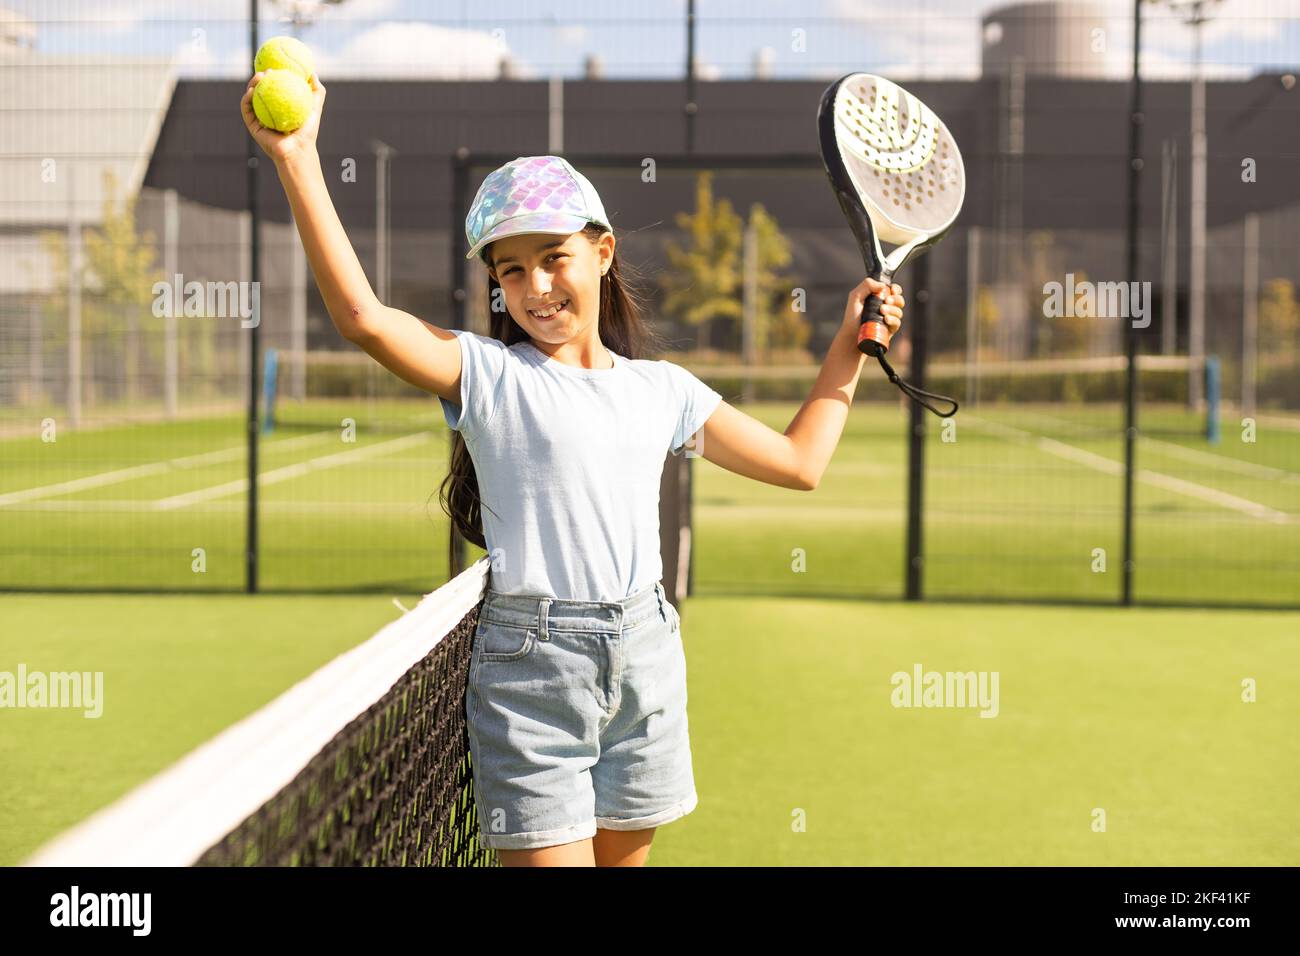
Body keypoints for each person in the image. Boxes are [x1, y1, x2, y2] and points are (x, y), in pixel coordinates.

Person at [241, 71, 904, 868]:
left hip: (648, 658)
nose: (535, 287)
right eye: (510, 271)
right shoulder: (488, 373)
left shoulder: (664, 390)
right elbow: (364, 319)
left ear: (602, 250)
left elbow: (801, 464)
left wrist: (846, 349)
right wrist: (298, 158)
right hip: (532, 676)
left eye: (553, 257)